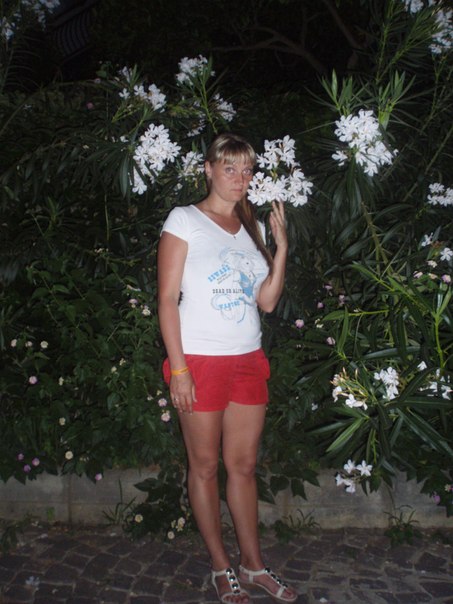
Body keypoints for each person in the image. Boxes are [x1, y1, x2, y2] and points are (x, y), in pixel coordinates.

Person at [157, 132, 297, 604]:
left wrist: (280, 249)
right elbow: (167, 299)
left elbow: (267, 302)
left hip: (247, 358)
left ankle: (253, 565)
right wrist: (179, 370)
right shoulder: (185, 219)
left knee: (244, 466)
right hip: (199, 359)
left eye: (247, 170)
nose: (240, 178)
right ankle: (222, 566)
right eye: (230, 167)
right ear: (209, 169)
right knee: (204, 467)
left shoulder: (251, 227)